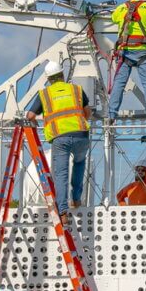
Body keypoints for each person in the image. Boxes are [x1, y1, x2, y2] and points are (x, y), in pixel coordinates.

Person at [24, 60, 91, 216]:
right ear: (62, 74)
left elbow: (30, 115)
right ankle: (76, 198)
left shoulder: (45, 94)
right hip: (81, 134)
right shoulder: (77, 90)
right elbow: (87, 112)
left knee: (61, 174)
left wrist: (36, 124)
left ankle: (62, 212)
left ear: (48, 79)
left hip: (60, 138)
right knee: (79, 163)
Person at [106, 0, 146, 124]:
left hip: (125, 52)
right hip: (143, 51)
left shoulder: (121, 8)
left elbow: (113, 19)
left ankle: (111, 115)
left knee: (119, 83)